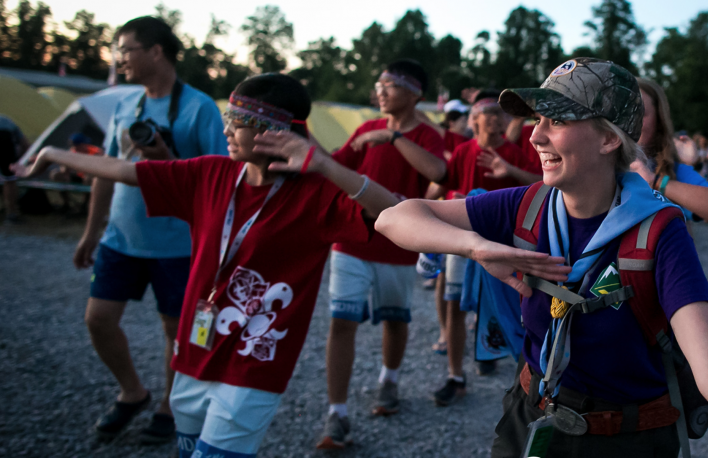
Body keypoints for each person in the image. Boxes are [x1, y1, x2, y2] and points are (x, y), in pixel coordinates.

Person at [375, 57, 708, 458]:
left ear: (607, 138)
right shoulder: (528, 205)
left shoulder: (658, 231)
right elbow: (396, 217)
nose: (535, 135)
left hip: (627, 440)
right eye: (537, 118)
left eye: (558, 120)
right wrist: (477, 247)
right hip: (532, 421)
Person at [18, 73, 399, 458]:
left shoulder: (316, 196)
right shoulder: (211, 173)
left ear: (273, 131)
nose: (227, 128)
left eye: (238, 120)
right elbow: (126, 172)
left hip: (255, 363)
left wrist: (325, 166)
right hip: (194, 353)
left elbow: (394, 211)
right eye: (227, 116)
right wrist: (51, 154)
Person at [70, 16, 228, 444]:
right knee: (98, 320)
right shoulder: (126, 105)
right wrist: (91, 232)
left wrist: (166, 158)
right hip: (120, 238)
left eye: (126, 49)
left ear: (155, 51)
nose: (120, 59)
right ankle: (132, 391)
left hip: (178, 244)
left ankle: (168, 405)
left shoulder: (199, 108)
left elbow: (218, 180)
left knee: (175, 332)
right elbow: (105, 172)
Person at [319, 58, 447, 449]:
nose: (380, 91)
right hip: (352, 240)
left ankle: (388, 381)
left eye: (389, 84)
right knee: (341, 322)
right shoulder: (365, 129)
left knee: (395, 319)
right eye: (379, 85)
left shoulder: (426, 134)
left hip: (397, 246)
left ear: (414, 94)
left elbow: (439, 173)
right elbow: (334, 166)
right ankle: (336, 414)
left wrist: (393, 139)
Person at [425, 90, 543, 405]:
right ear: (474, 118)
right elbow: (444, 185)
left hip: (502, 241)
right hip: (463, 236)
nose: (494, 118)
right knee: (454, 302)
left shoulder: (515, 151)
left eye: (498, 113)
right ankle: (455, 375)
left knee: (514, 301)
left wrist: (509, 170)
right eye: (487, 112)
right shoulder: (464, 150)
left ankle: (522, 374)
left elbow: (542, 184)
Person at [629, 77, 708, 225]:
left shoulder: (669, 171)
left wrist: (655, 181)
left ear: (659, 122)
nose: (627, 121)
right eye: (620, 112)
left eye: (638, 112)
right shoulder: (600, 164)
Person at [0, 114, 29, 224]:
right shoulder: (7, 121)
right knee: (10, 180)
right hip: (7, 147)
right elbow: (25, 143)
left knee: (9, 179)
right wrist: (21, 161)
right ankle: (11, 213)